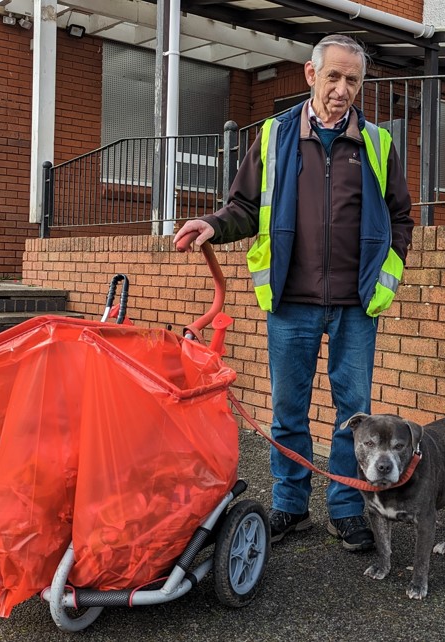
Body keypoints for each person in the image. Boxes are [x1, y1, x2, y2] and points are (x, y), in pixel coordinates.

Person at [174, 34, 414, 552]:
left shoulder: (378, 144)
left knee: (355, 416)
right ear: (311, 75)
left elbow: (400, 219)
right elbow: (242, 205)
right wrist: (213, 224)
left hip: (356, 306)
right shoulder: (275, 135)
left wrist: (386, 277)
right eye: (333, 77)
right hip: (291, 303)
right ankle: (289, 505)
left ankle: (348, 510)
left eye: (353, 80)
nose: (342, 89)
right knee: (289, 409)